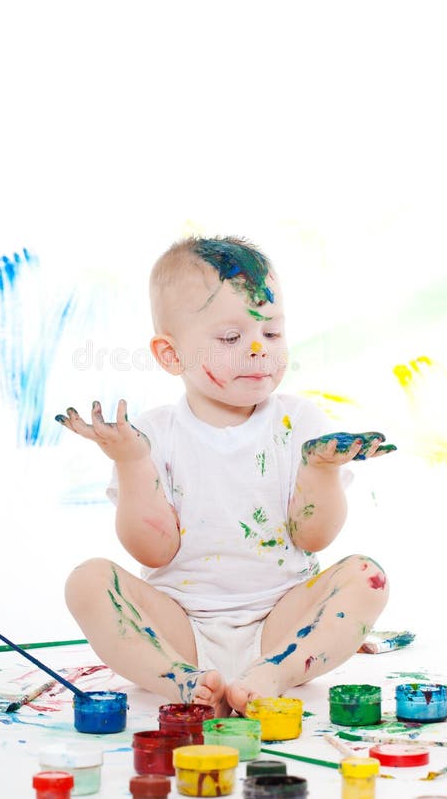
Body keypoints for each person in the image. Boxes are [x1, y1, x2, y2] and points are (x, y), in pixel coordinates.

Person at [56, 236, 396, 717]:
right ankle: (181, 680)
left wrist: (320, 469)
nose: (258, 350)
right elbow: (152, 552)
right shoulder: (151, 435)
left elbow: (313, 537)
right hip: (178, 627)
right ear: (172, 355)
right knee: (87, 581)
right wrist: (132, 463)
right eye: (231, 338)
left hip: (283, 623)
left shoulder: (299, 424)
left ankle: (274, 674)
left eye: (272, 333)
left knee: (367, 576)